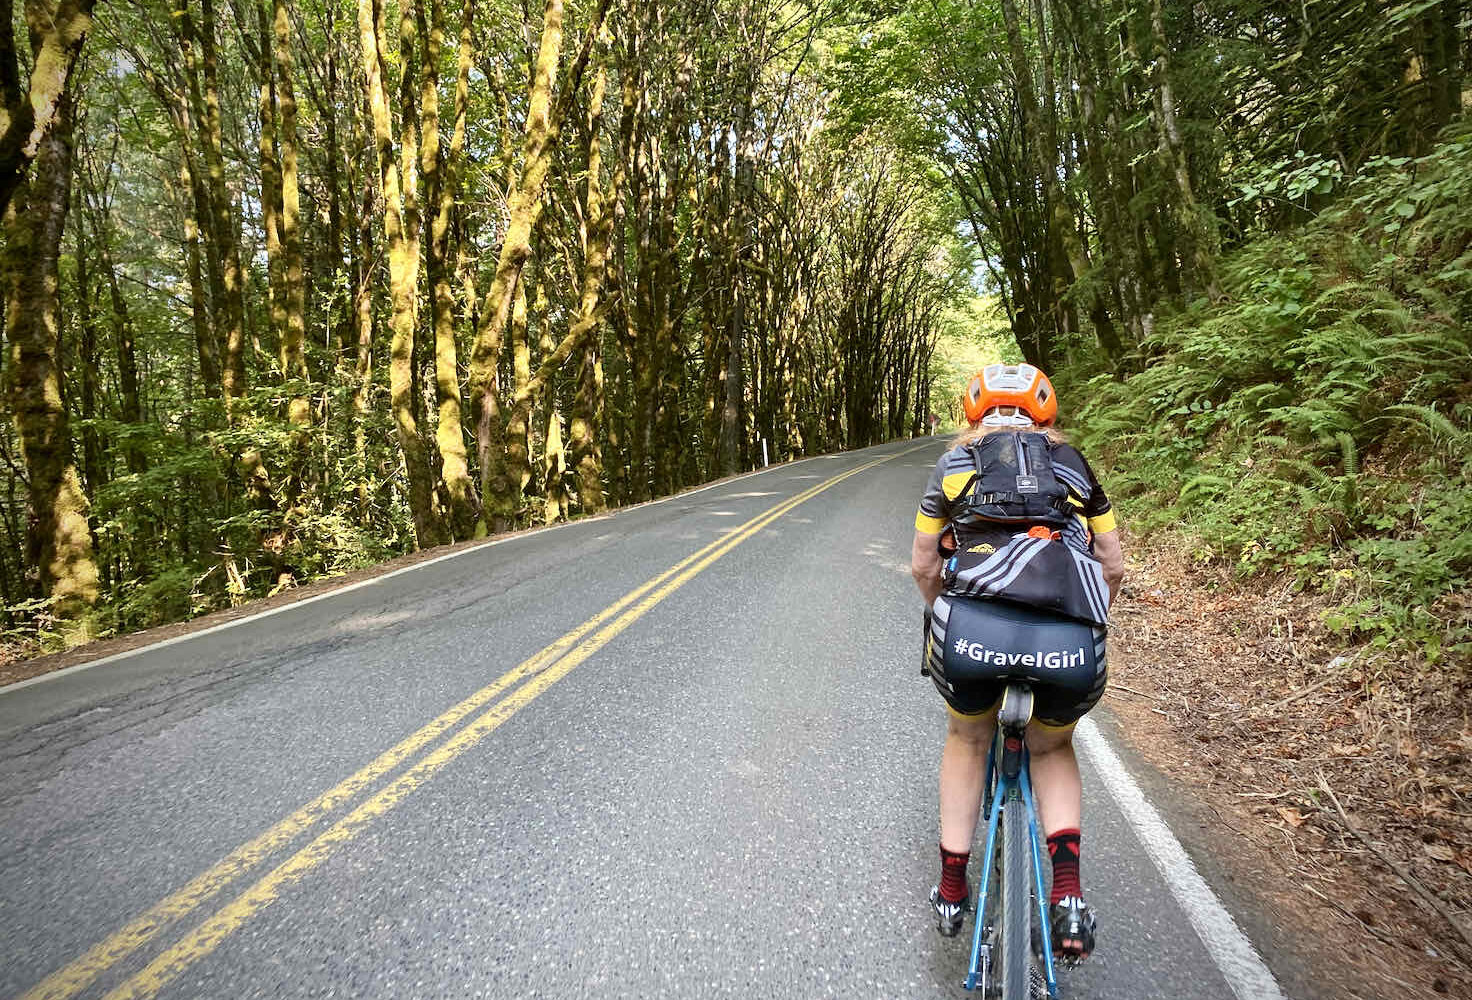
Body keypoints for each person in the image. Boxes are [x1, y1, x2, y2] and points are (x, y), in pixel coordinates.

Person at [909, 363, 1124, 960]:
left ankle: (953, 891)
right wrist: (1090, 617)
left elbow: (924, 564)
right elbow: (1111, 564)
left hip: (970, 638)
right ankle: (1069, 898)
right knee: (1052, 748)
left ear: (973, 414)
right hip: (1068, 646)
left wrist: (942, 611)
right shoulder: (1073, 464)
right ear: (1045, 413)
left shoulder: (955, 466)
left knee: (967, 738)